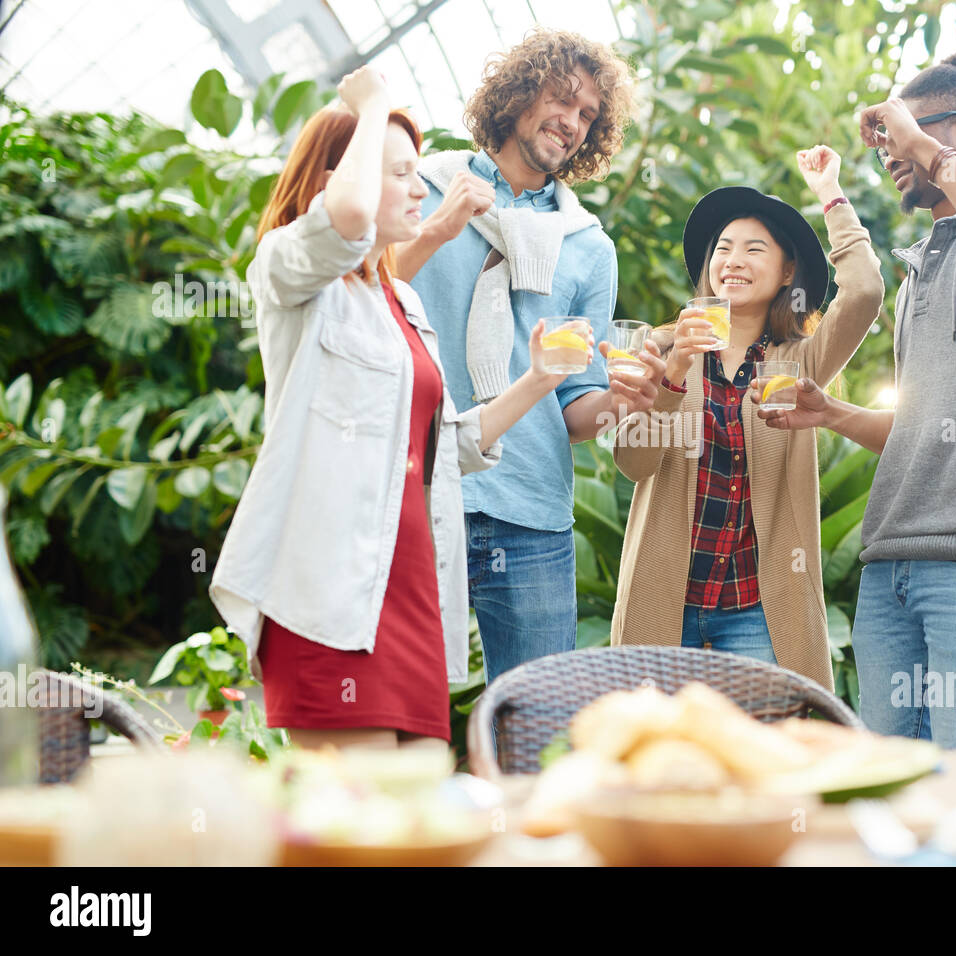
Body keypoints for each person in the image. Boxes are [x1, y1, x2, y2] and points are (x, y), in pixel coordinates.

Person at [209, 67, 584, 750]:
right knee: (355, 831)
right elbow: (347, 221)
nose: (420, 188)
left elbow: (451, 450)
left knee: (413, 815)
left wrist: (536, 380)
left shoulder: (399, 305)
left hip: (416, 600)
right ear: (336, 177)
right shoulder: (288, 271)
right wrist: (373, 100)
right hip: (337, 594)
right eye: (400, 173)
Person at [754, 48, 956, 748]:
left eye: (904, 132)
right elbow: (925, 426)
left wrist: (923, 149)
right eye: (888, 141)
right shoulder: (924, 263)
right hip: (893, 558)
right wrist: (832, 413)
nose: (891, 154)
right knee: (886, 774)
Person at [397, 29, 664, 683]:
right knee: (401, 702)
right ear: (517, 94)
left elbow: (575, 409)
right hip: (423, 488)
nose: (572, 123)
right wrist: (440, 229)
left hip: (532, 510)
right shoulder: (427, 190)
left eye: (588, 116)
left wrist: (618, 404)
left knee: (538, 717)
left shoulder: (588, 246)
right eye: (562, 99)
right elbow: (368, 298)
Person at [610, 146, 884, 688]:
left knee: (773, 760)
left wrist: (830, 193)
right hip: (665, 602)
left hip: (759, 610)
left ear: (787, 273)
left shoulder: (800, 361)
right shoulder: (656, 347)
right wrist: (676, 369)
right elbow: (632, 464)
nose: (732, 260)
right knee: (661, 763)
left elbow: (867, 291)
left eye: (754, 249)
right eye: (724, 248)